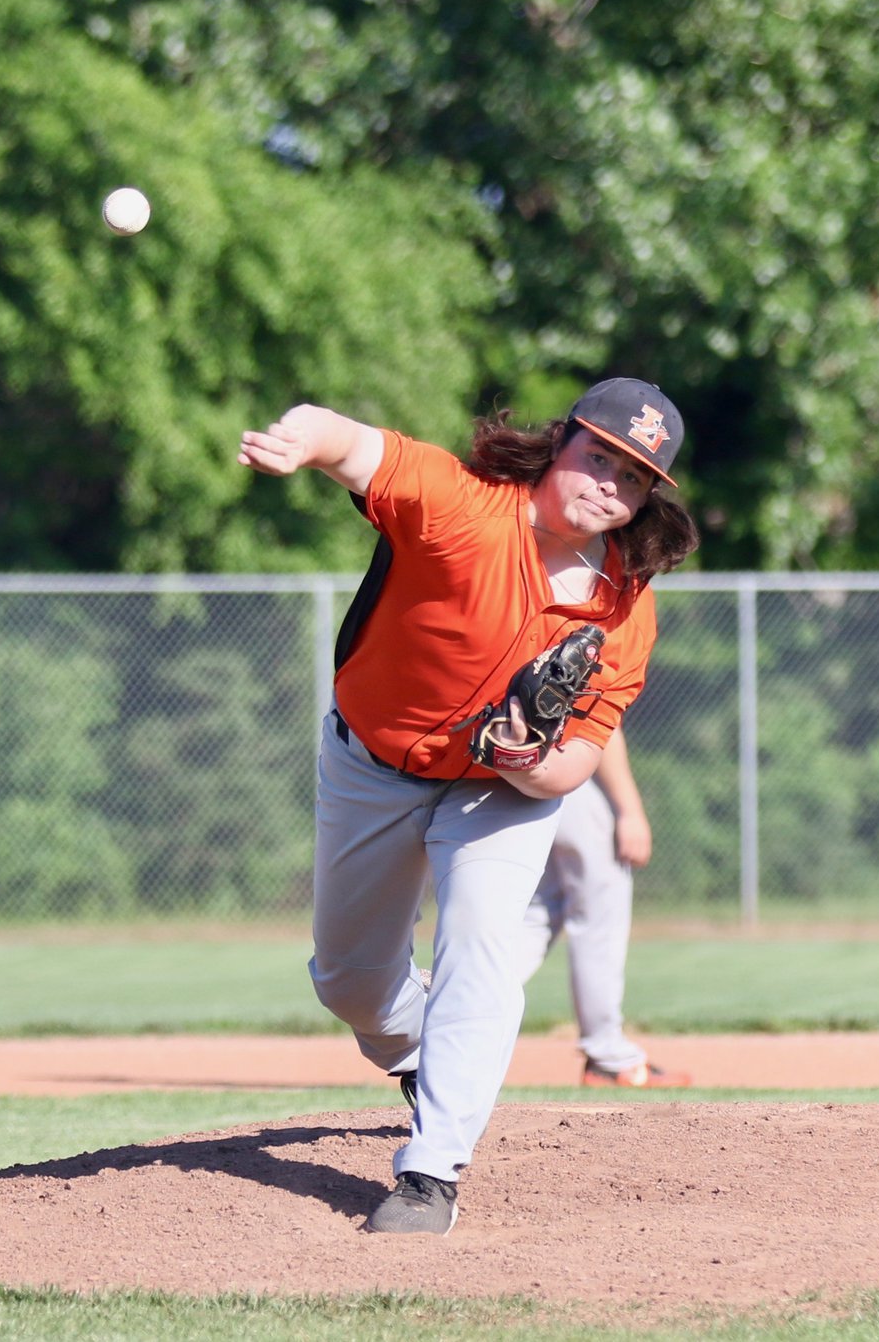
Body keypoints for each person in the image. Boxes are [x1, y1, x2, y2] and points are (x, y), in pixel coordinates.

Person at [238, 378, 699, 1236]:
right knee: (348, 983)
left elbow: (578, 760)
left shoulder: (624, 608)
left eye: (634, 477)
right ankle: (426, 1054)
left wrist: (529, 761)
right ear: (560, 443)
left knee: (479, 955)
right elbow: (349, 440)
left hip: (498, 794)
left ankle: (430, 1174)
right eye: (600, 456)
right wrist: (299, 438)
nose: (610, 484)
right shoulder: (460, 505)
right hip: (371, 766)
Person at [515, 727, 693, 1088]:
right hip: (570, 773)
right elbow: (601, 725)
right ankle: (608, 1055)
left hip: (514, 767)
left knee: (538, 913)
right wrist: (630, 811)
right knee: (599, 914)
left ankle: (442, 1011)